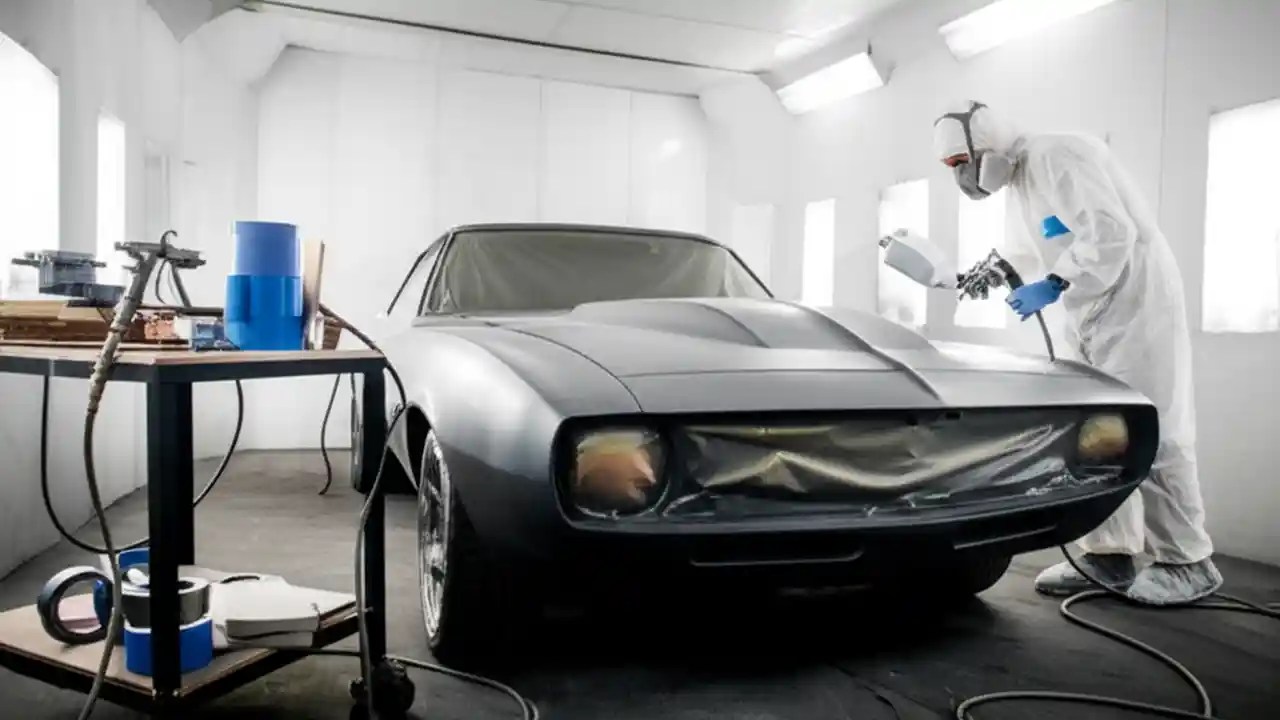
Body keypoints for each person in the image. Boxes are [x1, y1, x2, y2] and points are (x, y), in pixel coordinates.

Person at [932, 101, 1221, 605]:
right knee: (1100, 432)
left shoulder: (1056, 154)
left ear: (988, 147)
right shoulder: (1022, 184)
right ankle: (1110, 553)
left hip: (1136, 301)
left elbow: (1111, 231)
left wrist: (1056, 281)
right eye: (953, 169)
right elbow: (1041, 243)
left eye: (963, 163)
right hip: (1091, 313)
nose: (963, 177)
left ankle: (1188, 560)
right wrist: (1003, 271)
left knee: (1155, 428)